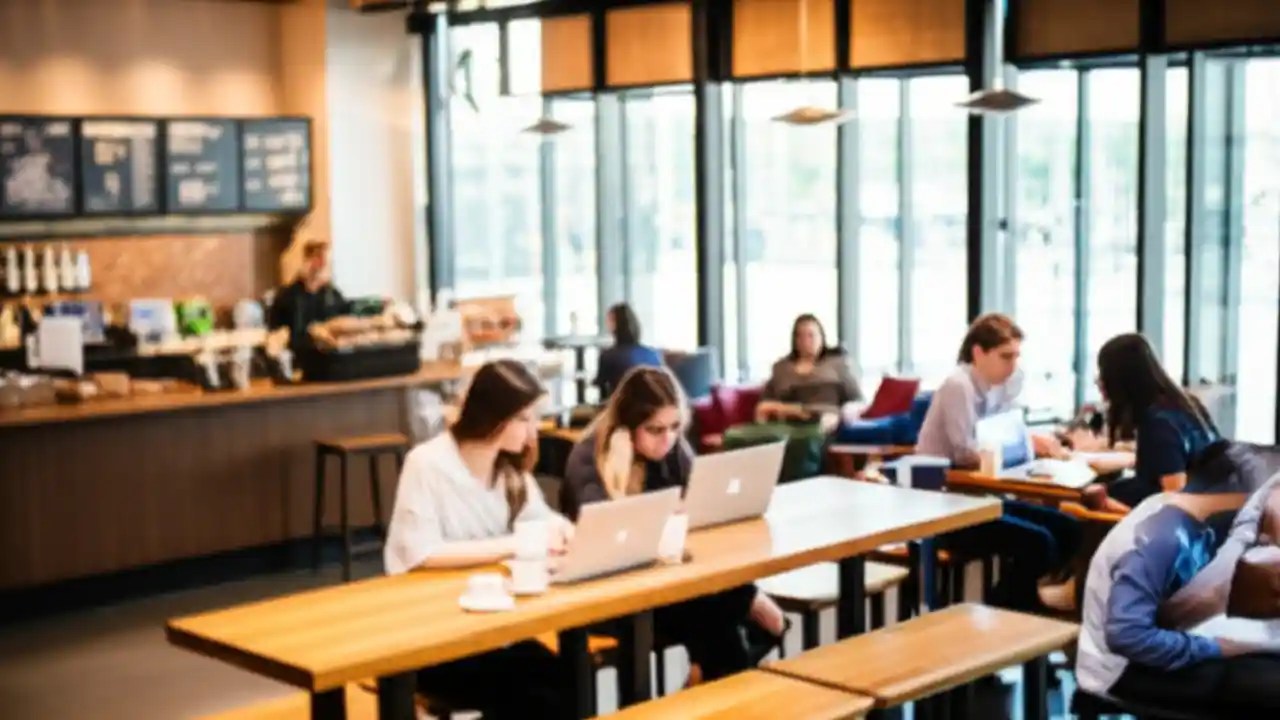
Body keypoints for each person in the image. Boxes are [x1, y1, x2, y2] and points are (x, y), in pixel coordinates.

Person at [564, 366, 789, 683]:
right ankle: (711, 667)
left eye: (675, 427)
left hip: (667, 587)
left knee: (719, 625)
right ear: (627, 426)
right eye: (655, 429)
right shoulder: (590, 457)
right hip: (611, 597)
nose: (668, 439)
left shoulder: (670, 445)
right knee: (724, 622)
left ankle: (702, 681)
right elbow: (606, 537)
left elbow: (697, 499)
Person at [383, 359, 573, 718]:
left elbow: (542, 519)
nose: (534, 429)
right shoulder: (426, 464)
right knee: (538, 697)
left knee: (571, 681)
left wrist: (567, 530)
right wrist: (515, 544)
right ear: (495, 417)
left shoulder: (507, 469)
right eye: (525, 418)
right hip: (435, 636)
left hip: (493, 628)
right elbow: (422, 553)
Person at [1077, 443, 1280, 715]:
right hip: (1121, 671)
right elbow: (1128, 636)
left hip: (1164, 640)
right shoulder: (1161, 536)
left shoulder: (1195, 522)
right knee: (1266, 685)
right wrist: (1217, 647)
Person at [915, 313, 1082, 612]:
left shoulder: (997, 386)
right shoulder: (959, 386)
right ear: (978, 353)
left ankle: (1010, 601)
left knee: (1069, 529)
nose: (1013, 365)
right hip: (943, 507)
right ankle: (1008, 608)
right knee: (1039, 543)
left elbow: (1004, 436)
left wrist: (1030, 443)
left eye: (1016, 356)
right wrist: (1024, 446)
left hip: (978, 497)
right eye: (1006, 357)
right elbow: (965, 453)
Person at [1090, 333, 1220, 511]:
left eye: (1103, 373)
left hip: (1180, 523)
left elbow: (1176, 503)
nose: (1099, 381)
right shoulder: (1186, 405)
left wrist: (1108, 506)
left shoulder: (1159, 424)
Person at [755, 314, 863, 424]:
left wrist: (842, 415)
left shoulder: (838, 363)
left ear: (822, 337)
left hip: (827, 419)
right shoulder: (781, 368)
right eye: (800, 336)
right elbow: (765, 404)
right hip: (790, 420)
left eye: (811, 335)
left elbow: (857, 400)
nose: (806, 341)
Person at [268, 238, 351, 355]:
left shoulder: (332, 294)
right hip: (302, 358)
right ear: (309, 262)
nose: (325, 266)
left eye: (327, 262)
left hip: (332, 356)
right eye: (321, 260)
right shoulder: (289, 296)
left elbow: (345, 316)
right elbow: (285, 334)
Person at [596, 303, 664, 398]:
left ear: (615, 323)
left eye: (609, 320)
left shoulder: (608, 356)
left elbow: (602, 386)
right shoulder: (653, 354)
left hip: (623, 408)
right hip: (652, 408)